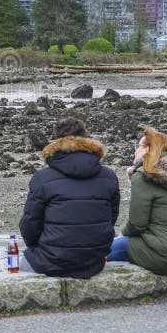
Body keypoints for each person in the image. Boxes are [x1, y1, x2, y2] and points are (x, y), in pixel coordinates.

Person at [18, 118, 120, 278]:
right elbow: (111, 218)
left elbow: (30, 224)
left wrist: (37, 247)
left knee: (22, 263)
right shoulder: (109, 176)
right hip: (94, 260)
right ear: (86, 139)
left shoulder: (42, 177)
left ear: (58, 140)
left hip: (52, 259)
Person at [107, 127, 167, 275]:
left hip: (163, 255)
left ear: (147, 150)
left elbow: (137, 225)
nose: (135, 151)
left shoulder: (144, 177)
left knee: (104, 251)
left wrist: (123, 234)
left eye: (138, 147)